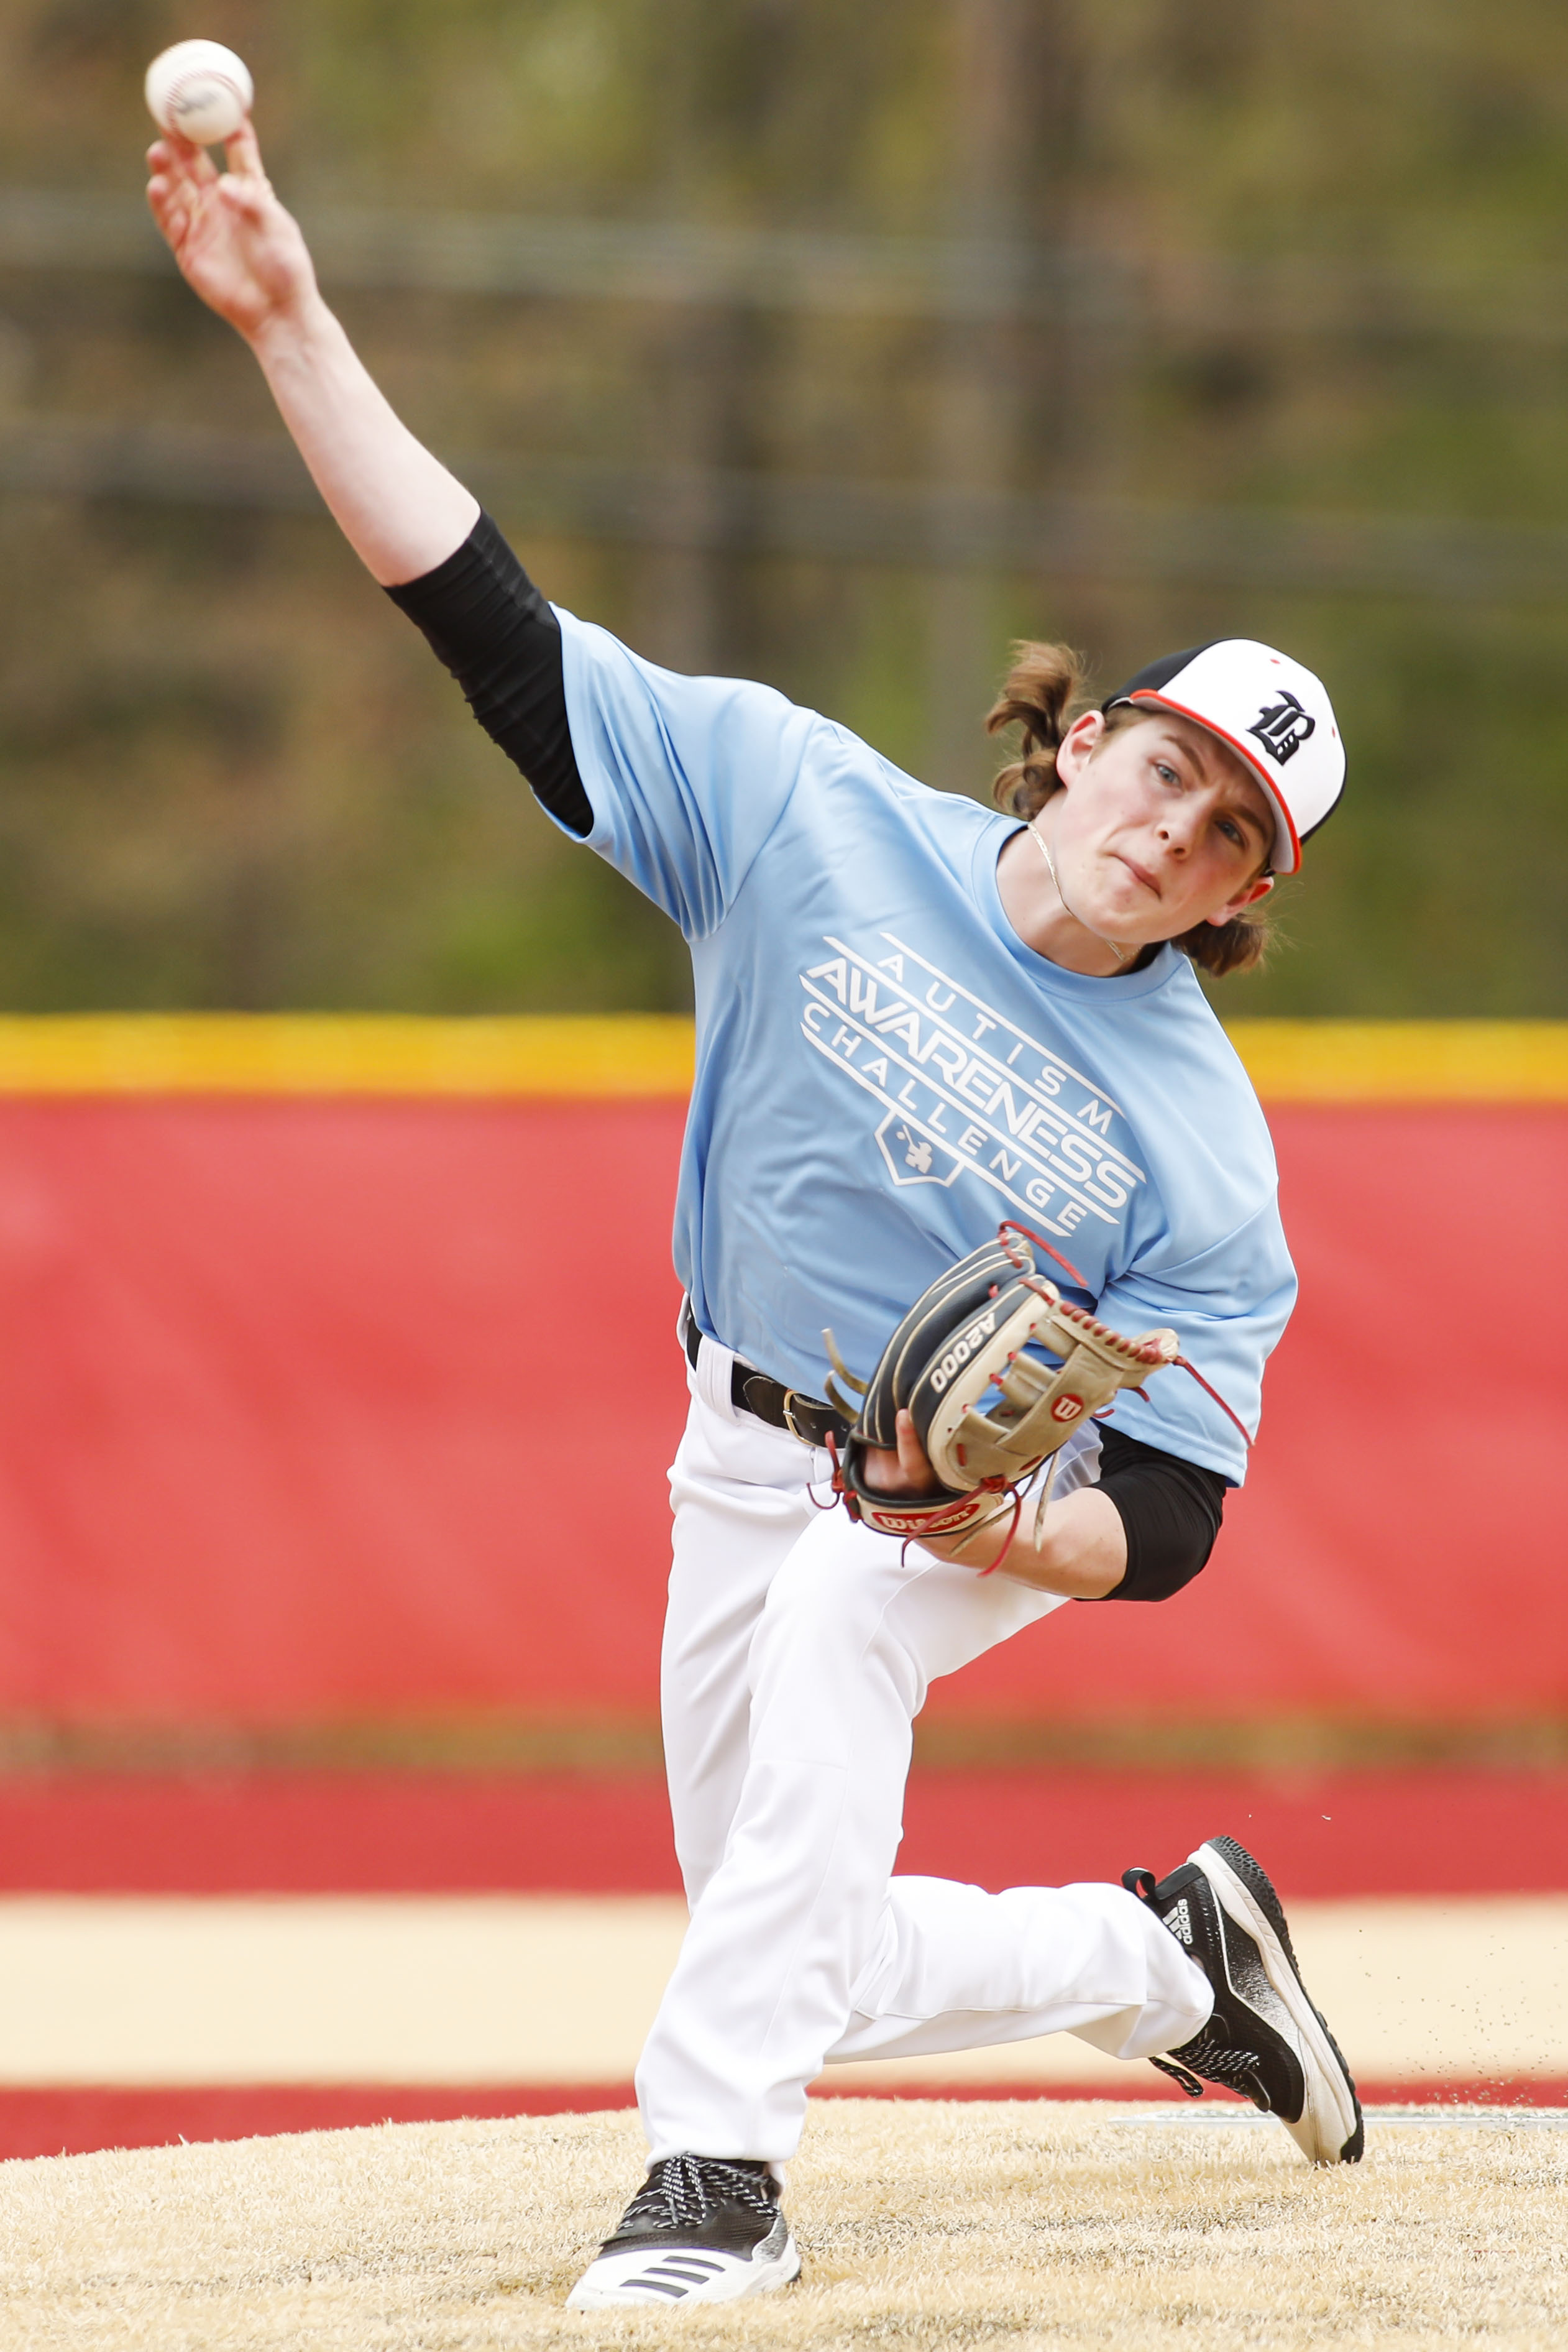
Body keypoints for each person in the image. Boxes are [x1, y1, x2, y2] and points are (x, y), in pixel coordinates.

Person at [147, 121, 1365, 2313]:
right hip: (735, 1438)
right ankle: (1160, 1954)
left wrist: (999, 1528)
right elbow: (490, 629)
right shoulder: (796, 808)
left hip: (945, 1507)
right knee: (783, 1912)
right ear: (1082, 737)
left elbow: (1171, 1519)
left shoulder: (1203, 1153)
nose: (1175, 827)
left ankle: (719, 2173)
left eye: (1228, 833)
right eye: (1170, 765)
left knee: (835, 1629)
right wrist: (290, 322)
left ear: (1245, 897)